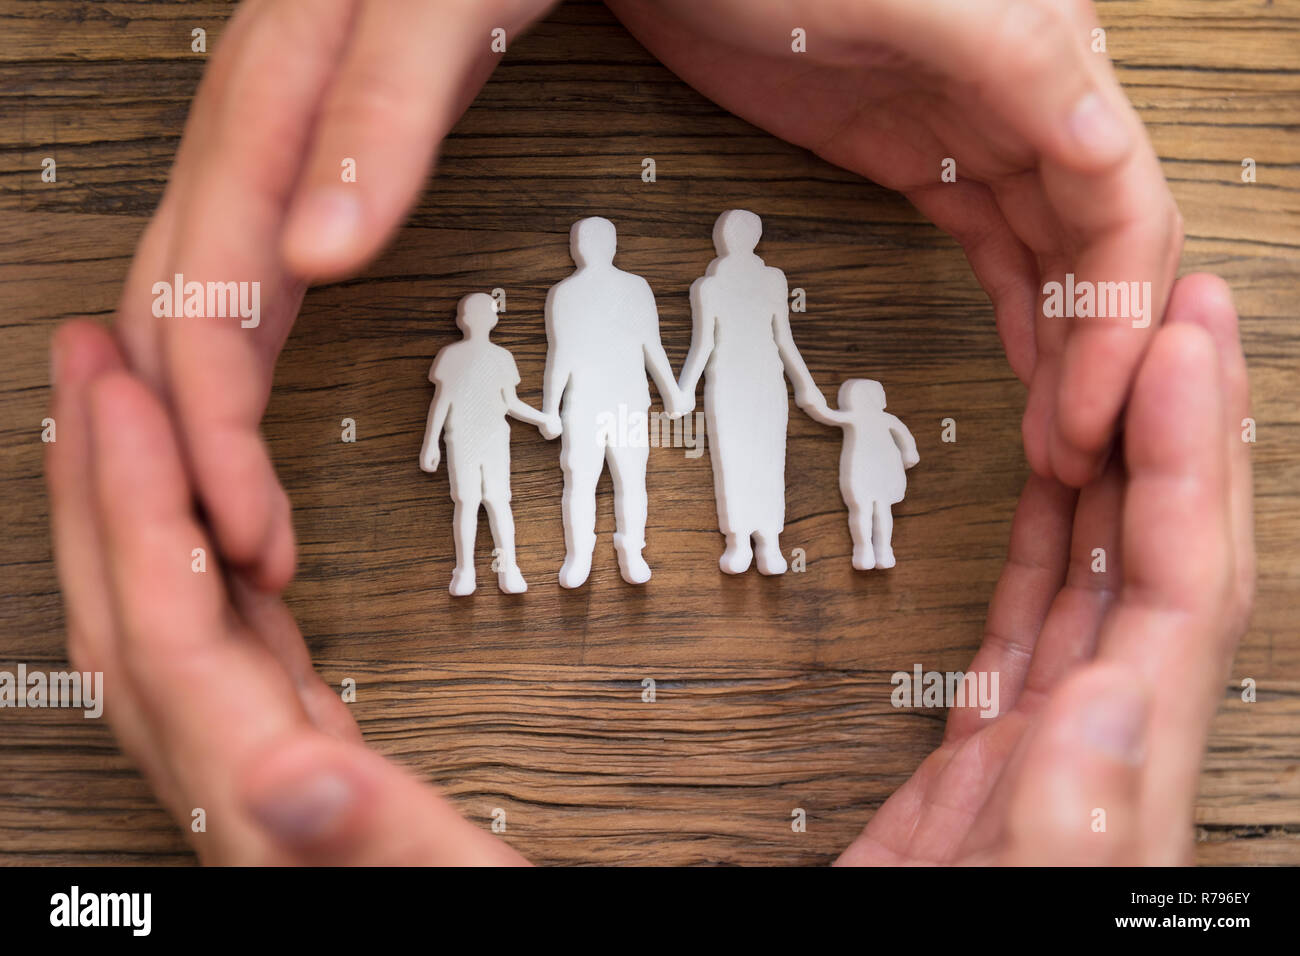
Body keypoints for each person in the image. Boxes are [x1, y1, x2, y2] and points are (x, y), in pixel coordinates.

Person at [46, 0, 1248, 865]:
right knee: (639, 482)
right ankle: (599, 551)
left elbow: (758, 352)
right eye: (607, 244)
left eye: (640, 243)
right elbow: (573, 363)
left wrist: (679, 387)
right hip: (613, 402)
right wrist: (592, 399)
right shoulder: (573, 301)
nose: (613, 251)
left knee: (714, 474)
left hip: (694, 395)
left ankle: (675, 547)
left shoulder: (704, 287)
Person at [678, 209, 827, 575]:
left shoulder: (773, 280)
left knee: (769, 459)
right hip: (727, 379)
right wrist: (685, 390)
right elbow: (704, 345)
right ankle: (738, 540)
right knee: (733, 458)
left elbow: (784, 338)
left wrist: (806, 384)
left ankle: (771, 541)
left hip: (766, 377)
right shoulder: (709, 287)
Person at [542, 217, 686, 588]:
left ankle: (632, 550)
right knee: (580, 478)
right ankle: (578, 556)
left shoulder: (636, 288)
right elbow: (561, 353)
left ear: (612, 245)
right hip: (584, 402)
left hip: (628, 398)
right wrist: (551, 408)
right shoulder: (565, 294)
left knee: (632, 477)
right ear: (577, 248)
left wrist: (672, 392)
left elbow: (652, 344)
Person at [419, 293, 555, 596]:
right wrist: (431, 443)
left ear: (493, 320)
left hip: (494, 438)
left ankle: (508, 568)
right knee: (466, 502)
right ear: (462, 321)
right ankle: (465, 570)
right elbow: (442, 400)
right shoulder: (450, 355)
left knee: (497, 501)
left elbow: (511, 403)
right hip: (461, 439)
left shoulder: (502, 357)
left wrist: (542, 419)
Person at [814, 379, 920, 571]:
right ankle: (864, 549)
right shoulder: (855, 417)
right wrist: (815, 404)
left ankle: (884, 550)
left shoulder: (886, 419)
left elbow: (904, 436)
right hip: (862, 472)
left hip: (883, 470)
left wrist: (909, 453)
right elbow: (828, 415)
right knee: (863, 510)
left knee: (881, 510)